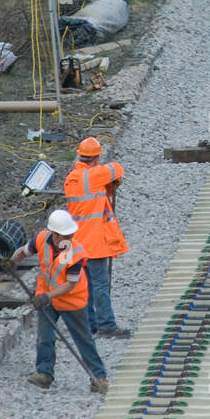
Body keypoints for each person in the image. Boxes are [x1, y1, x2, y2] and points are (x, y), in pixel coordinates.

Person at [8, 210, 108, 392]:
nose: (69, 238)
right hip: (46, 299)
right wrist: (12, 262)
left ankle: (99, 377)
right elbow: (24, 252)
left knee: (83, 340)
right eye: (66, 235)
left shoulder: (75, 253)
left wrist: (46, 296)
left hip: (71, 301)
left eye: (71, 235)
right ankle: (44, 374)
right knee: (44, 338)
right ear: (53, 234)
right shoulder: (40, 239)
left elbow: (70, 285)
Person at [63, 136, 130, 338]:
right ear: (96, 158)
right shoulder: (92, 176)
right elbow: (117, 169)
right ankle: (107, 325)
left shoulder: (71, 178)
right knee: (100, 284)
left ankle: (91, 324)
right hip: (94, 242)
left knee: (88, 285)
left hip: (78, 242)